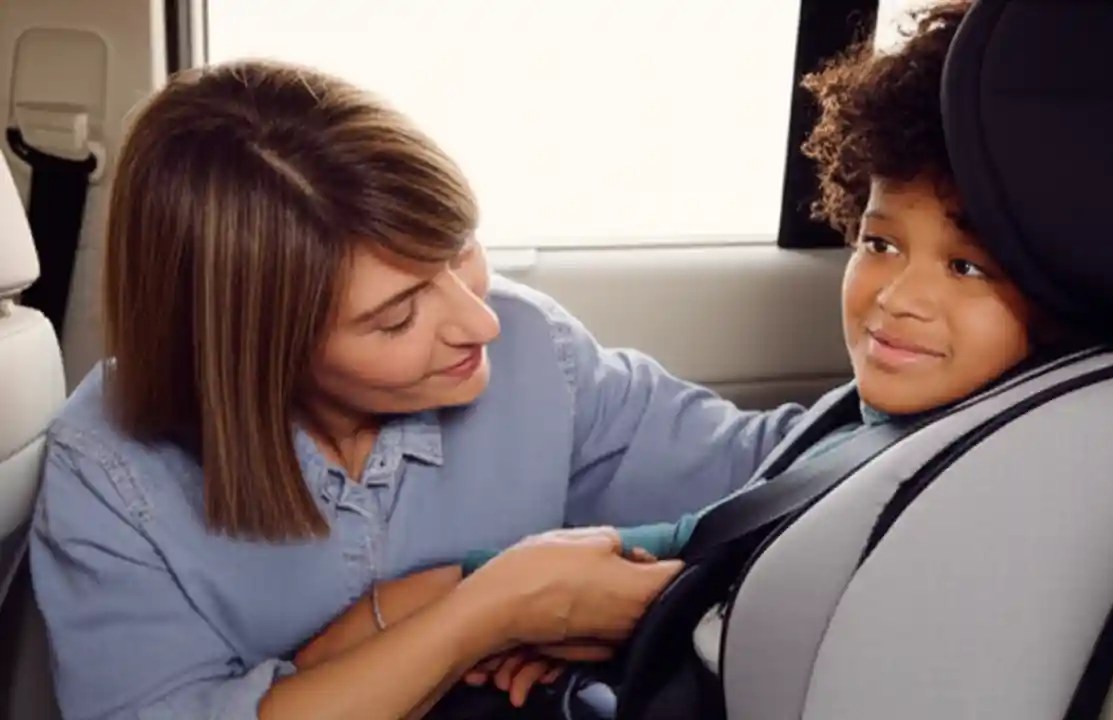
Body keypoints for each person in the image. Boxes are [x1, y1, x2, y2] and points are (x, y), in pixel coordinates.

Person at [294, 2, 1069, 709]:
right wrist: (487, 601)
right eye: (879, 243)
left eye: (966, 267)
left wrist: (488, 605)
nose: (899, 295)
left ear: (1060, 278)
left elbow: (707, 561)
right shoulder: (854, 434)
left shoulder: (1011, 472)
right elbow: (713, 528)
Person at [26, 60, 808, 720]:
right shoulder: (110, 472)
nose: (480, 322)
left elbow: (778, 471)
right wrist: (483, 608)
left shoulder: (535, 347)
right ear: (255, 354)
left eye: (460, 249)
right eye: (397, 317)